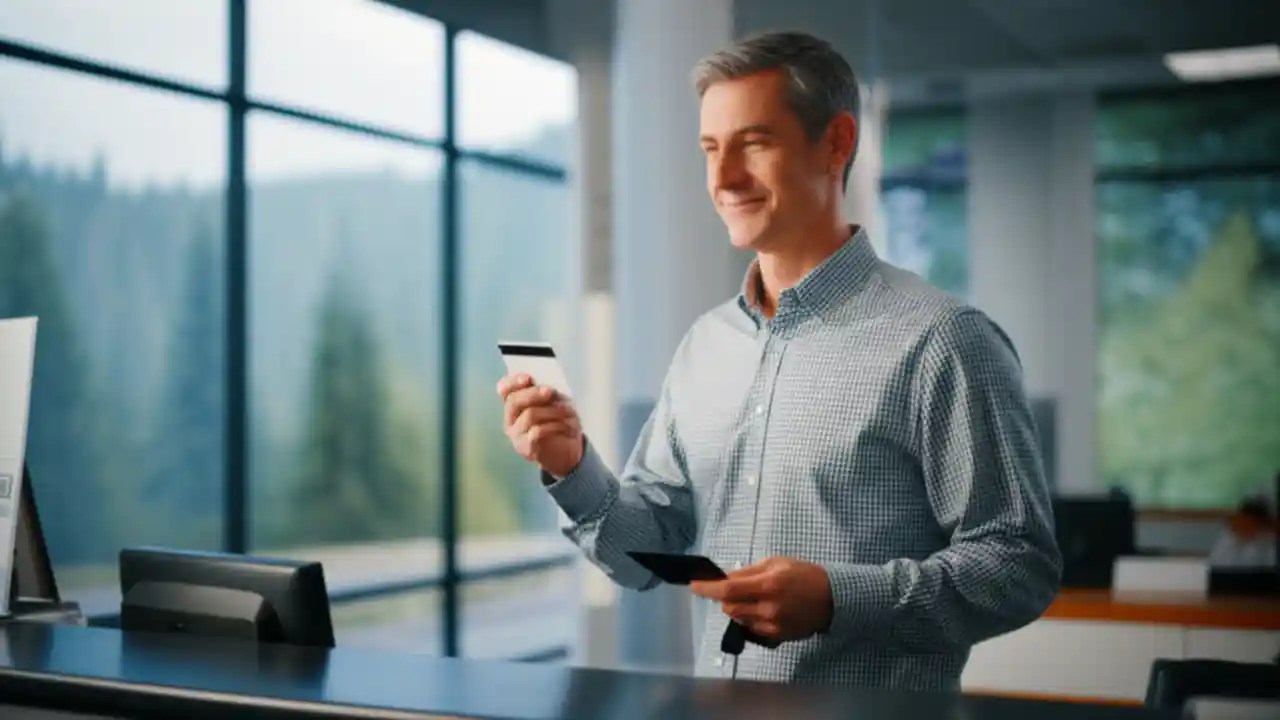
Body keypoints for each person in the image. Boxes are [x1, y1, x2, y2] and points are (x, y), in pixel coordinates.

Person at [497, 30, 1060, 690]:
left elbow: (1019, 565)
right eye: (711, 149)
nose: (723, 179)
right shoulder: (706, 346)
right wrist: (570, 466)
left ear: (837, 143)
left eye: (754, 143)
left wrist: (838, 599)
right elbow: (643, 554)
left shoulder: (944, 340)